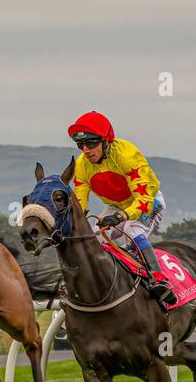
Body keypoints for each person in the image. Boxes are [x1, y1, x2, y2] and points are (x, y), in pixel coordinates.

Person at [67, 111, 176, 306]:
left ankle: (158, 278)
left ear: (106, 141)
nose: (86, 150)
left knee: (131, 230)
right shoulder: (82, 164)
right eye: (81, 145)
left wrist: (121, 216)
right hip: (116, 206)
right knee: (91, 236)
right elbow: (80, 203)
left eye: (91, 144)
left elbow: (143, 199)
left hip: (149, 202)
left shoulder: (127, 156)